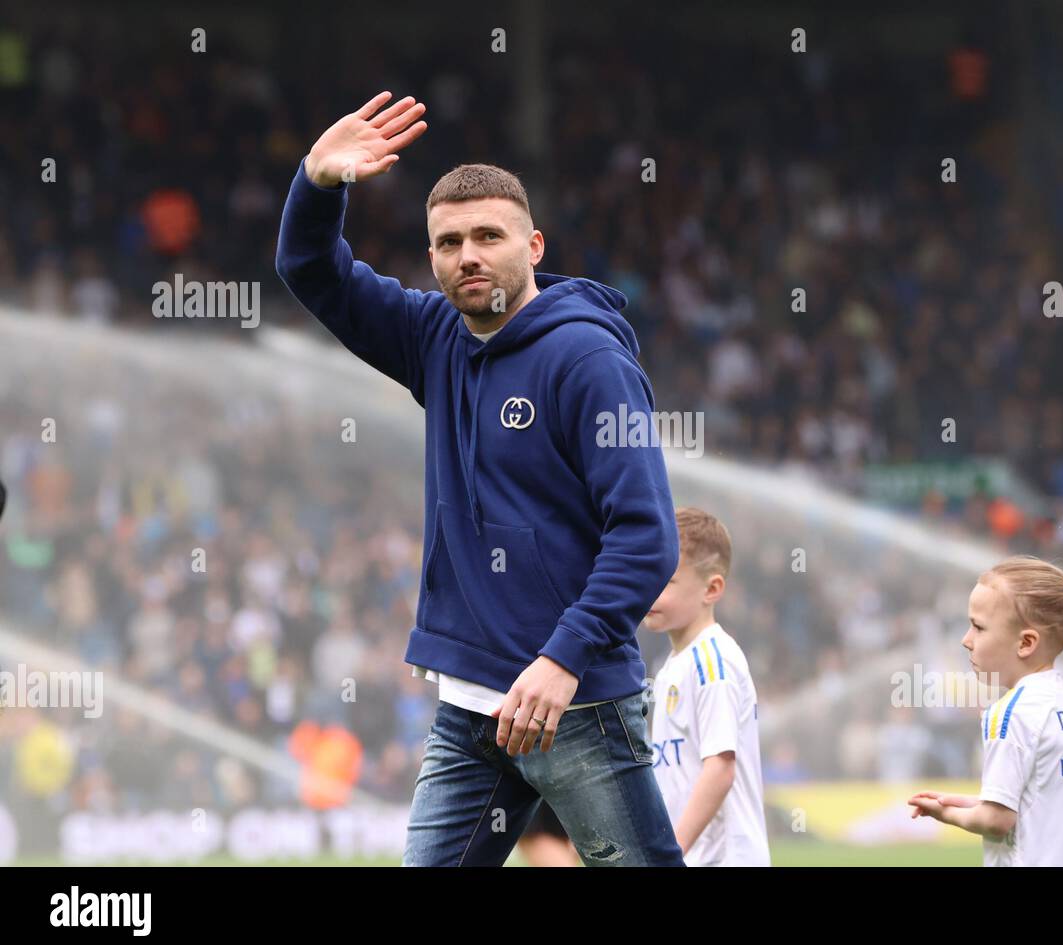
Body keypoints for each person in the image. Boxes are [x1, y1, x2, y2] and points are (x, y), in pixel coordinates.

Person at [275, 91, 684, 866]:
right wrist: (316, 184)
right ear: (430, 257)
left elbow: (647, 536)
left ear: (532, 245)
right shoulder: (433, 336)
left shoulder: (589, 361)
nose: (468, 255)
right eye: (449, 241)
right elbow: (310, 271)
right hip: (469, 711)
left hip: (579, 704)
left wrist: (563, 659)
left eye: (488, 237)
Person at [909, 556, 1063, 866]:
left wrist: (947, 815)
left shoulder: (1009, 713)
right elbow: (1033, 803)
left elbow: (997, 821)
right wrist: (973, 803)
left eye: (978, 627)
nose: (965, 640)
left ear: (1026, 643)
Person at [643, 507, 770, 865]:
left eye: (666, 581)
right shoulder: (672, 666)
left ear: (711, 589)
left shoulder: (712, 662)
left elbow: (720, 769)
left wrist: (668, 855)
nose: (650, 591)